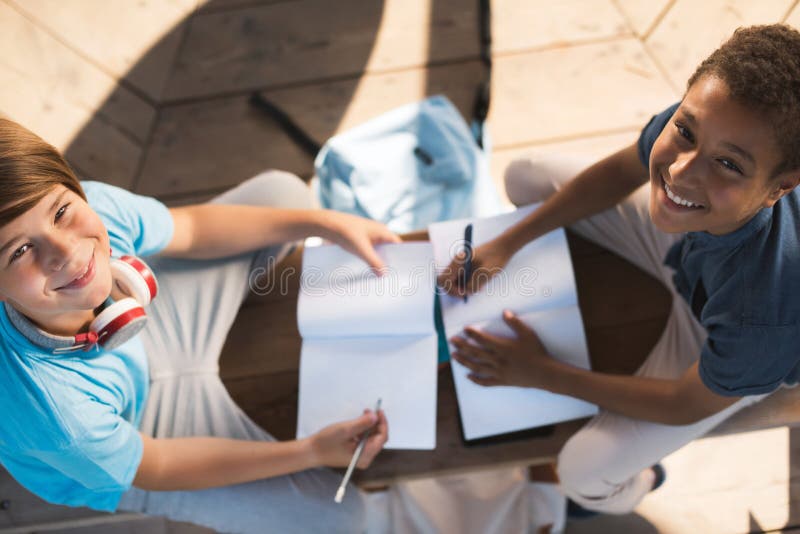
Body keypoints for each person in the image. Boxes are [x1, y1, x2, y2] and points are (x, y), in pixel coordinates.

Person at [439, 23, 800, 515]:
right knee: (524, 176)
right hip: (690, 252)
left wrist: (539, 371)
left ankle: (645, 477)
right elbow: (622, 170)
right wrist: (507, 243)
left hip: (720, 342)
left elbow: (683, 403)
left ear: (781, 187)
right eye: (685, 131)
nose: (680, 171)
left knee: (584, 474)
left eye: (728, 165)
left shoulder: (763, 317)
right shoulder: (713, 122)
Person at [0, 116, 398, 533]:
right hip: (142, 441)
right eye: (21, 250)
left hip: (148, 339)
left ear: (75, 188)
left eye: (61, 211)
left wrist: (325, 223)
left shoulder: (97, 209)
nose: (66, 250)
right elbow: (159, 466)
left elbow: (191, 228)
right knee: (346, 520)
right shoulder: (54, 417)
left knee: (286, 195)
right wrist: (311, 452)